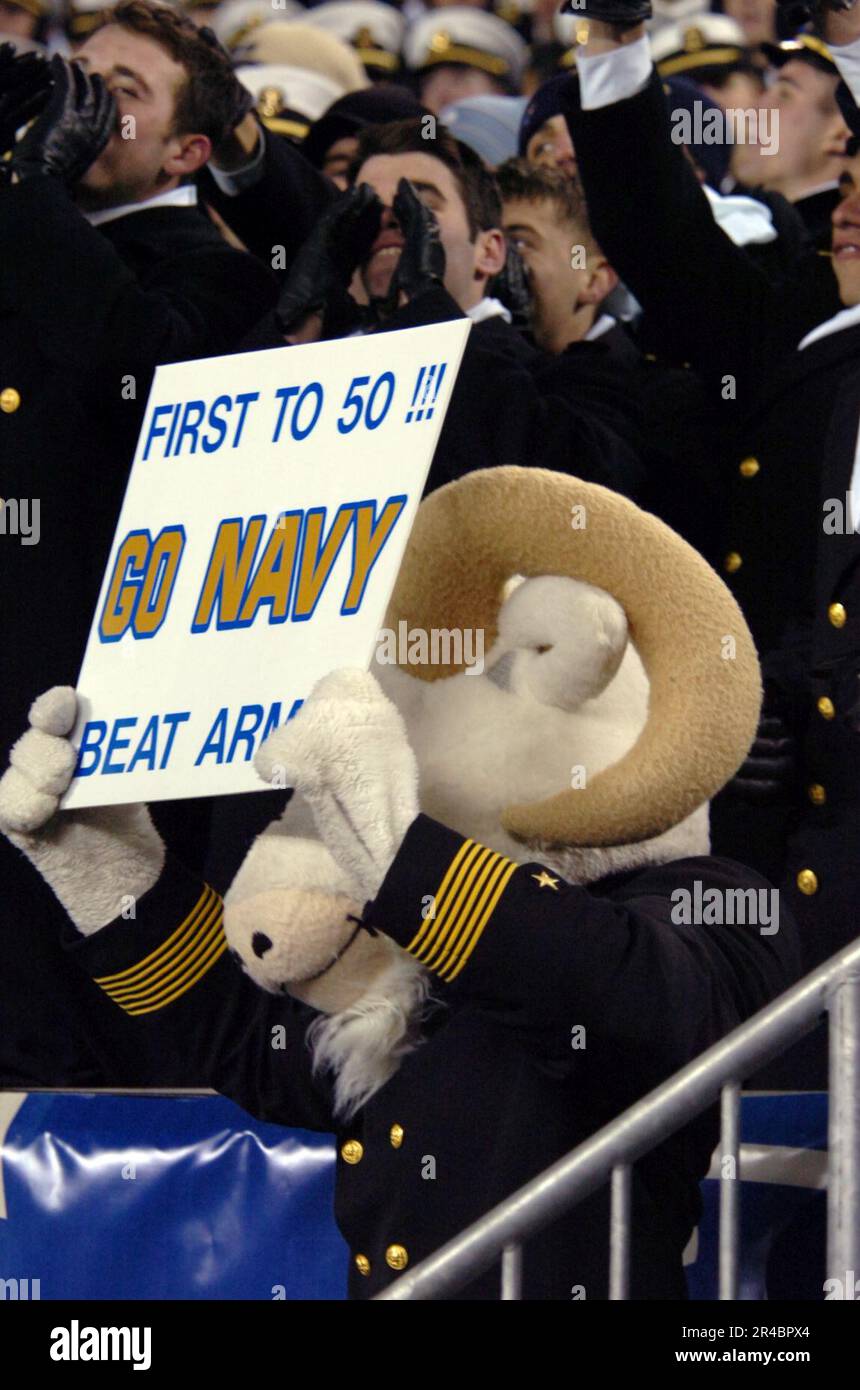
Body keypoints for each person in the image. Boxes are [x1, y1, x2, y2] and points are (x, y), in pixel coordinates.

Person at [0, 468, 802, 1299]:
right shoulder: (426, 951)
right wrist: (108, 868)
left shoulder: (706, 901)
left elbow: (621, 995)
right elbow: (260, 1046)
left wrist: (398, 846)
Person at [556, 1, 860, 1083]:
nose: (844, 209)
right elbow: (653, 230)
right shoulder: (784, 306)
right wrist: (610, 44)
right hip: (764, 810)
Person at [0, 0, 277, 1087]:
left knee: (94, 1044)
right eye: (73, 79)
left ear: (186, 151)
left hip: (98, 740)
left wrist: (27, 196)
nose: (78, 108)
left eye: (118, 96)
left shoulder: (214, 269)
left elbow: (142, 382)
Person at [248, 117, 645, 498]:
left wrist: (425, 311)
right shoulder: (307, 354)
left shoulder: (575, 375)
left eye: (419, 204)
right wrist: (295, 330)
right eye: (367, 207)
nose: (391, 218)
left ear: (489, 252)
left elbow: (580, 492)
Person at [730, 34, 851, 248]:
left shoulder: (841, 247)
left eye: (785, 94)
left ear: (840, 134)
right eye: (768, 90)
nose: (756, 108)